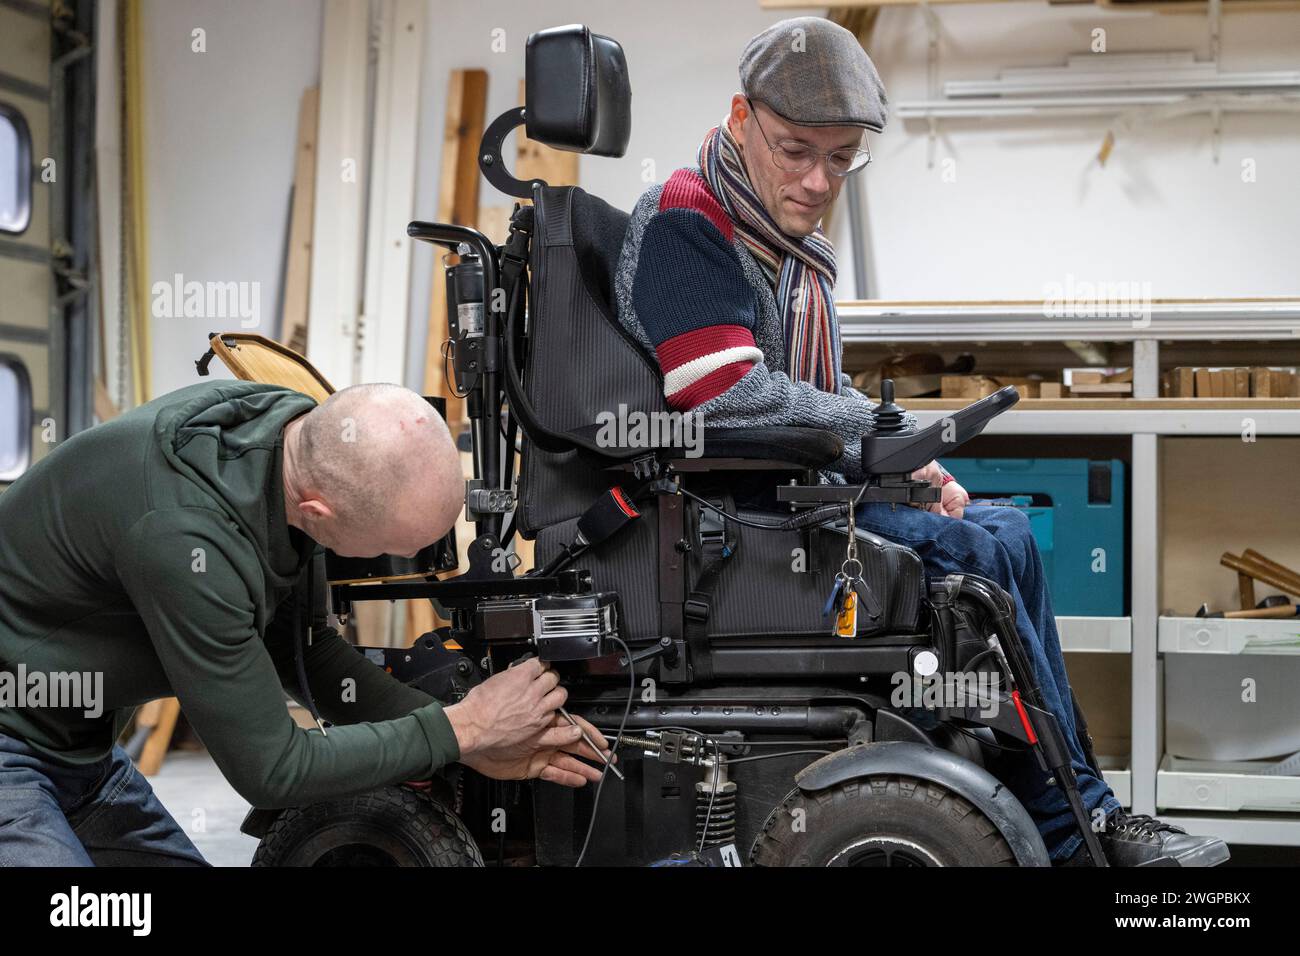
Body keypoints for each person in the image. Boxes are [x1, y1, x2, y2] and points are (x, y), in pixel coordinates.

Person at [613, 15, 1226, 867]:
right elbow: (727, 393)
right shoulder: (690, 220)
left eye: (839, 158)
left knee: (1006, 531)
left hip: (784, 493)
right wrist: (872, 432)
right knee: (976, 558)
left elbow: (816, 400)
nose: (818, 179)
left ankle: (1075, 805)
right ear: (740, 117)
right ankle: (1073, 825)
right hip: (733, 523)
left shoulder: (786, 245)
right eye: (796, 151)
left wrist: (907, 459)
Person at [0, 380, 609, 866]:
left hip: (77, 753)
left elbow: (307, 653)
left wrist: (470, 740)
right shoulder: (186, 540)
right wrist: (463, 729)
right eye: (391, 547)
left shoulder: (288, 438)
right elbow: (273, 770)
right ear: (320, 512)